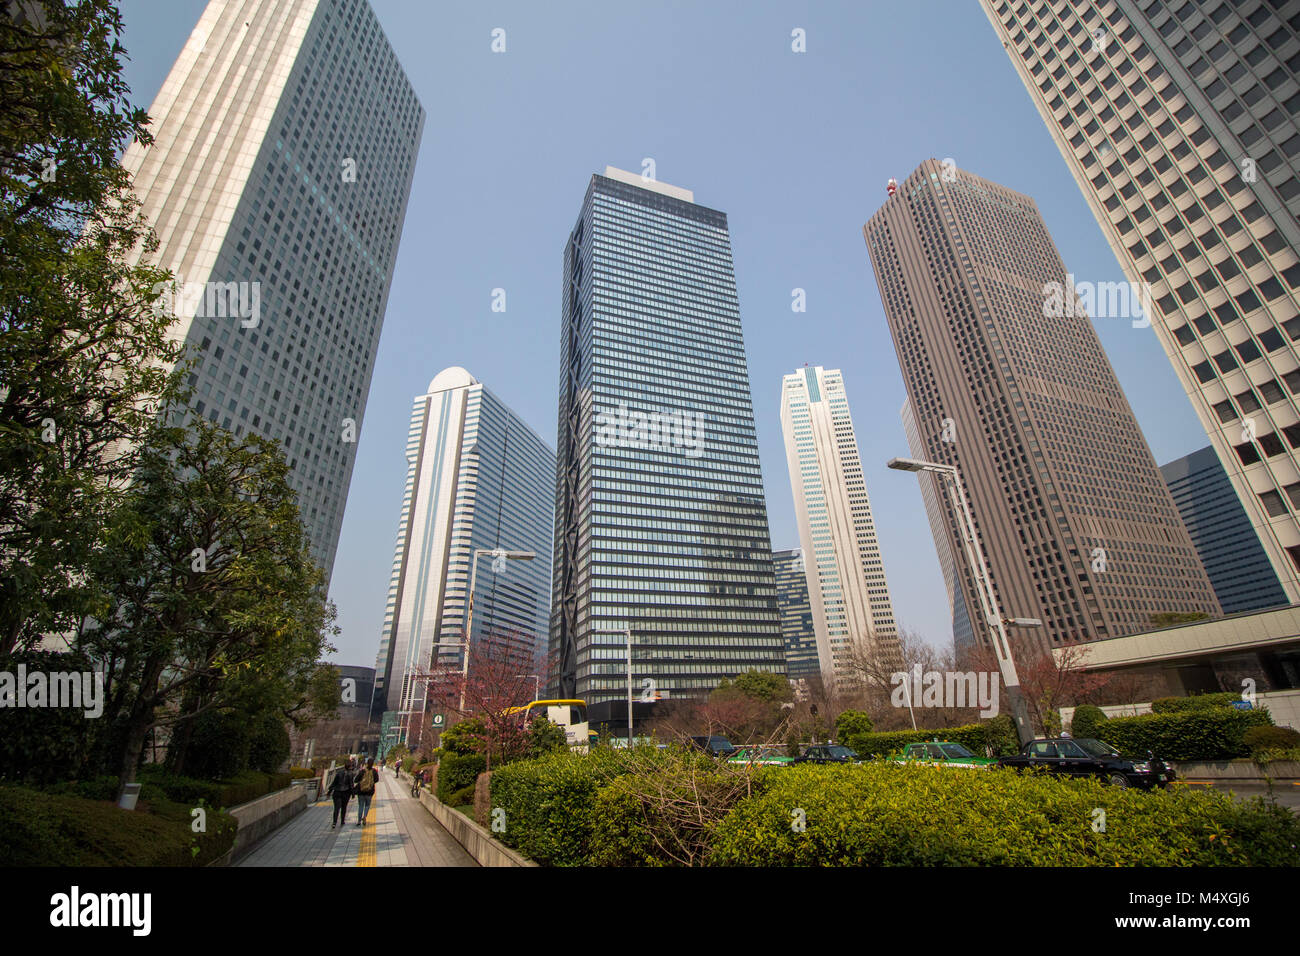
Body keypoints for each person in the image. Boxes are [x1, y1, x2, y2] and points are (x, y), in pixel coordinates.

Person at [327, 759, 355, 830]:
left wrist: (329, 791)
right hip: (346, 792)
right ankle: (342, 821)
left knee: (336, 808)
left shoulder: (339, 773)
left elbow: (334, 783)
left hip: (337, 792)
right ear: (350, 767)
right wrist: (353, 793)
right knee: (344, 807)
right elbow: (351, 784)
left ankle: (334, 822)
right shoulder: (351, 774)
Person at [355, 757, 377, 827]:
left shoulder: (362, 771)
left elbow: (356, 780)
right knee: (367, 805)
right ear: (373, 764)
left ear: (367, 763)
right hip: (369, 791)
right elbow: (376, 780)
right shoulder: (374, 771)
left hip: (361, 791)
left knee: (361, 806)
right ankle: (364, 817)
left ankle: (359, 821)